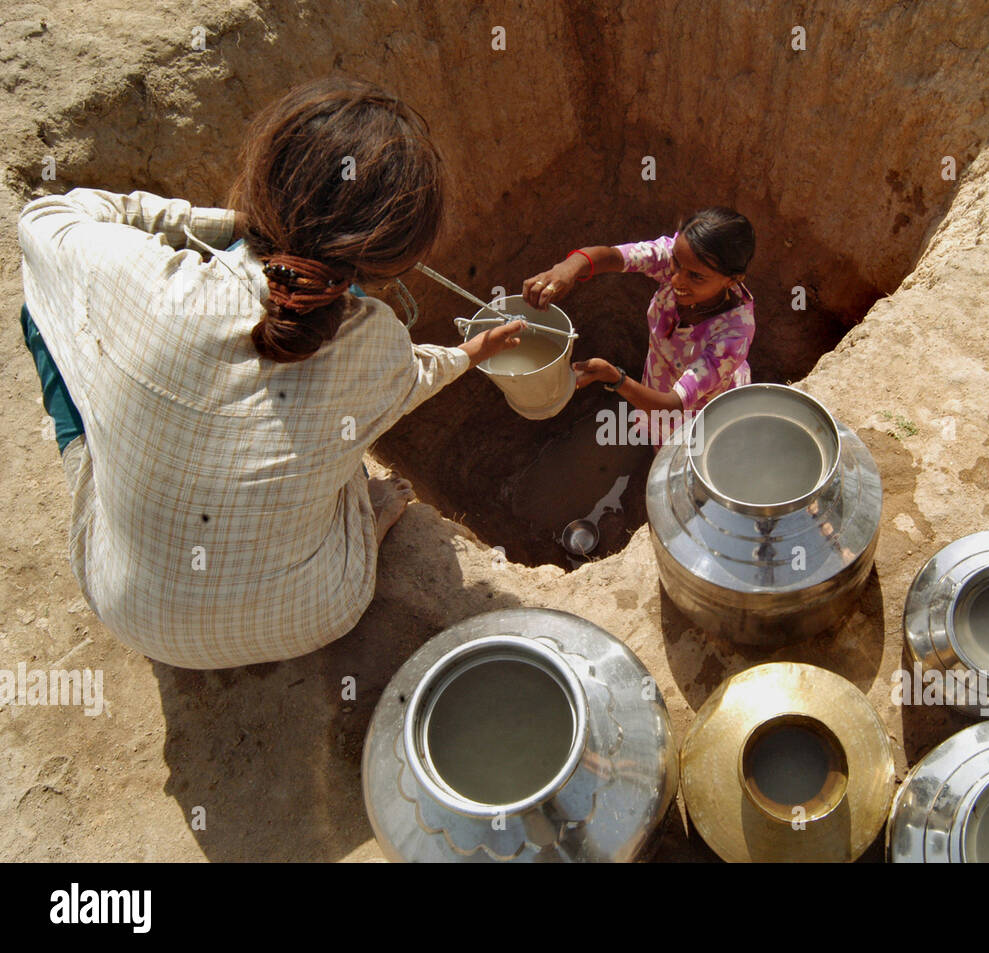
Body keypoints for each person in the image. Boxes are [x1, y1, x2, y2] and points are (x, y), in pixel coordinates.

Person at [16, 76, 522, 669]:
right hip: (315, 615)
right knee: (337, 440)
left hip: (130, 613)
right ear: (392, 259)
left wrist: (235, 225)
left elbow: (45, 217)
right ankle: (360, 526)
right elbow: (412, 378)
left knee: (41, 313)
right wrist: (470, 354)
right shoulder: (379, 343)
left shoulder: (134, 276)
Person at [522, 207, 756, 443]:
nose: (676, 279)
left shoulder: (732, 336)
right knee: (656, 437)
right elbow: (614, 257)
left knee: (682, 457)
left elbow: (672, 407)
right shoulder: (681, 257)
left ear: (732, 280)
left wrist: (616, 379)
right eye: (675, 262)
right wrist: (568, 268)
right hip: (658, 380)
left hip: (696, 412)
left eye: (696, 277)